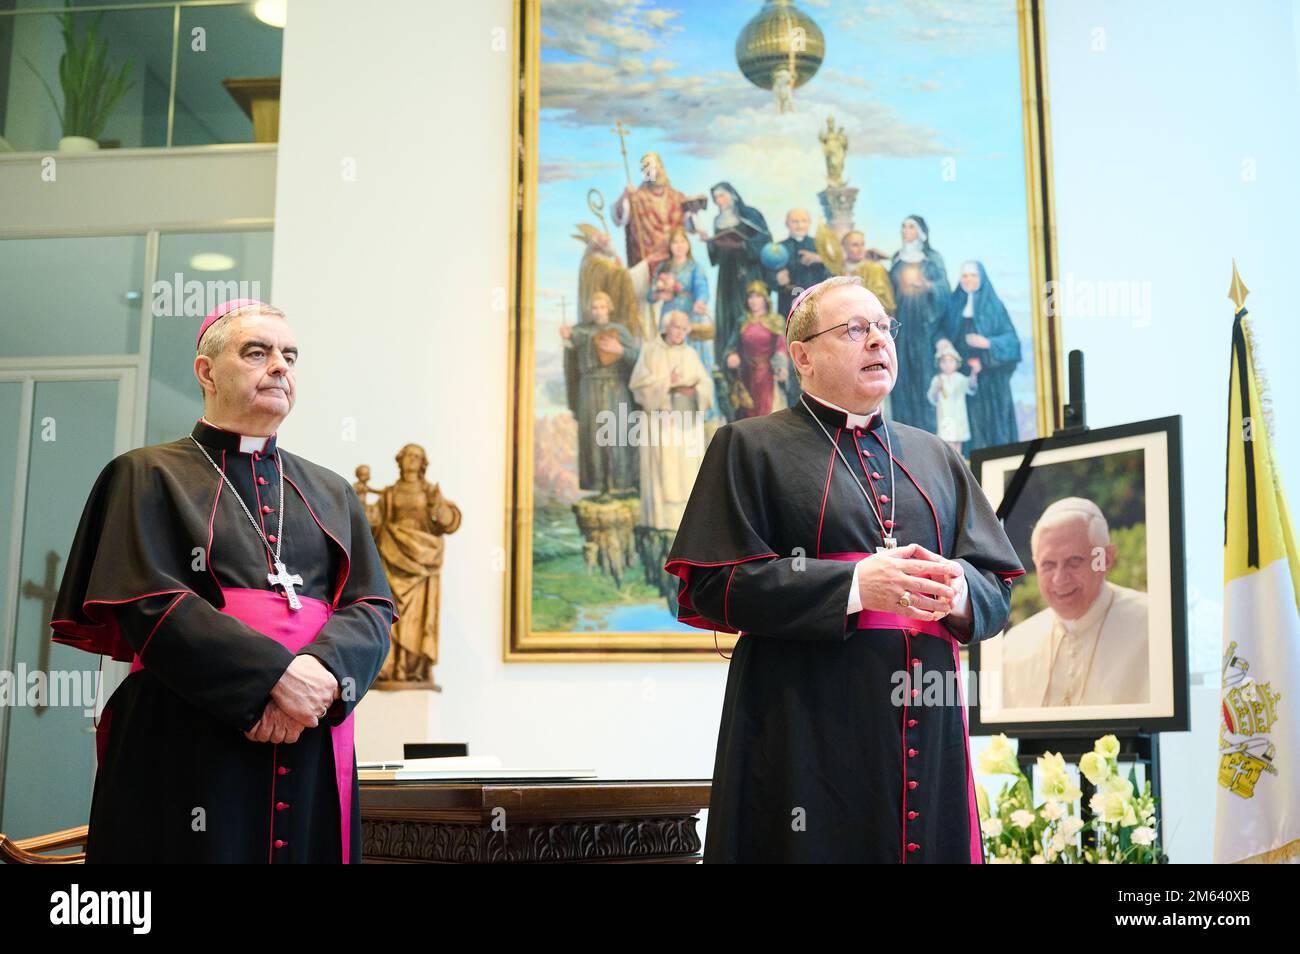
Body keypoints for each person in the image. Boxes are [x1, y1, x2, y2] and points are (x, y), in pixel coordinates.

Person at [665, 275, 1024, 863]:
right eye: (855, 329)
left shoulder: (936, 456)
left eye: (884, 327)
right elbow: (712, 586)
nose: (878, 341)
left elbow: (995, 589)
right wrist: (857, 586)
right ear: (801, 356)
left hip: (925, 727)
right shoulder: (749, 447)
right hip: (804, 722)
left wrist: (960, 591)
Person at [49, 298, 397, 863]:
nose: (280, 367)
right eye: (257, 353)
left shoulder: (332, 492)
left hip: (313, 728)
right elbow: (149, 602)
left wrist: (319, 676)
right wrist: (270, 678)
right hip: (189, 727)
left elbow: (373, 606)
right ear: (206, 372)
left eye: (290, 355)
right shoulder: (145, 474)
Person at [1000, 497, 1149, 708]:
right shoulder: (1014, 645)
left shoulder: (1152, 625)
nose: (1060, 579)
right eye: (1048, 565)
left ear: (1105, 559)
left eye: (1074, 561)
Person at [628, 310, 715, 532]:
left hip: (686, 423)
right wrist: (668, 382)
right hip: (660, 421)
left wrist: (694, 390)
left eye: (685, 328)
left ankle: (687, 524)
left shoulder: (690, 354)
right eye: (677, 327)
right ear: (666, 327)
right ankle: (661, 522)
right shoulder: (650, 351)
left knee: (686, 471)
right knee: (663, 471)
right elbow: (638, 386)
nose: (681, 332)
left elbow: (706, 384)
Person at [559, 290, 641, 493]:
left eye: (602, 307)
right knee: (594, 436)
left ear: (609, 308)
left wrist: (619, 350)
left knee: (617, 433)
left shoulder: (618, 330)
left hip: (615, 388)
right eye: (594, 307)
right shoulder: (583, 330)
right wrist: (567, 336)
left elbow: (637, 357)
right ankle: (598, 485)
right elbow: (572, 342)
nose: (598, 311)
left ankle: (620, 484)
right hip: (590, 389)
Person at [944, 261, 1021, 453]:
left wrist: (987, 344)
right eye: (965, 276)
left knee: (993, 430)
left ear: (982, 278)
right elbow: (942, 332)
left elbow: (1012, 342)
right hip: (963, 379)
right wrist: (942, 342)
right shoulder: (954, 305)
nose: (968, 280)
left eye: (973, 275)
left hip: (992, 380)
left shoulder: (994, 306)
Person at [889, 215, 949, 432]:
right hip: (901, 329)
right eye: (903, 227)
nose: (906, 231)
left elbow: (944, 293)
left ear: (921, 233)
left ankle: (927, 436)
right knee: (902, 381)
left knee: (923, 380)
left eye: (911, 227)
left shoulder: (932, 260)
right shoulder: (897, 259)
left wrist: (927, 286)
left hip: (924, 330)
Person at [723, 280, 789, 419]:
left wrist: (781, 367)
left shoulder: (775, 320)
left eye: (758, 296)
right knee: (746, 414)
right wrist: (731, 355)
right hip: (745, 374)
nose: (753, 301)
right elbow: (732, 345)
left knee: (767, 412)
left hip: (767, 374)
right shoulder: (742, 321)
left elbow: (781, 347)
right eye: (751, 297)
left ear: (765, 299)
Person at [927, 340, 977, 455]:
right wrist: (936, 389)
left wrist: (974, 373)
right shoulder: (938, 379)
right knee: (948, 443)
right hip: (945, 416)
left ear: (956, 363)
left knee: (958, 442)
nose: (947, 364)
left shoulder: (959, 378)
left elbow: (970, 387)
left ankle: (959, 462)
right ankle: (951, 464)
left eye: (950, 361)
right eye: (944, 362)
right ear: (939, 364)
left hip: (958, 415)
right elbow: (932, 398)